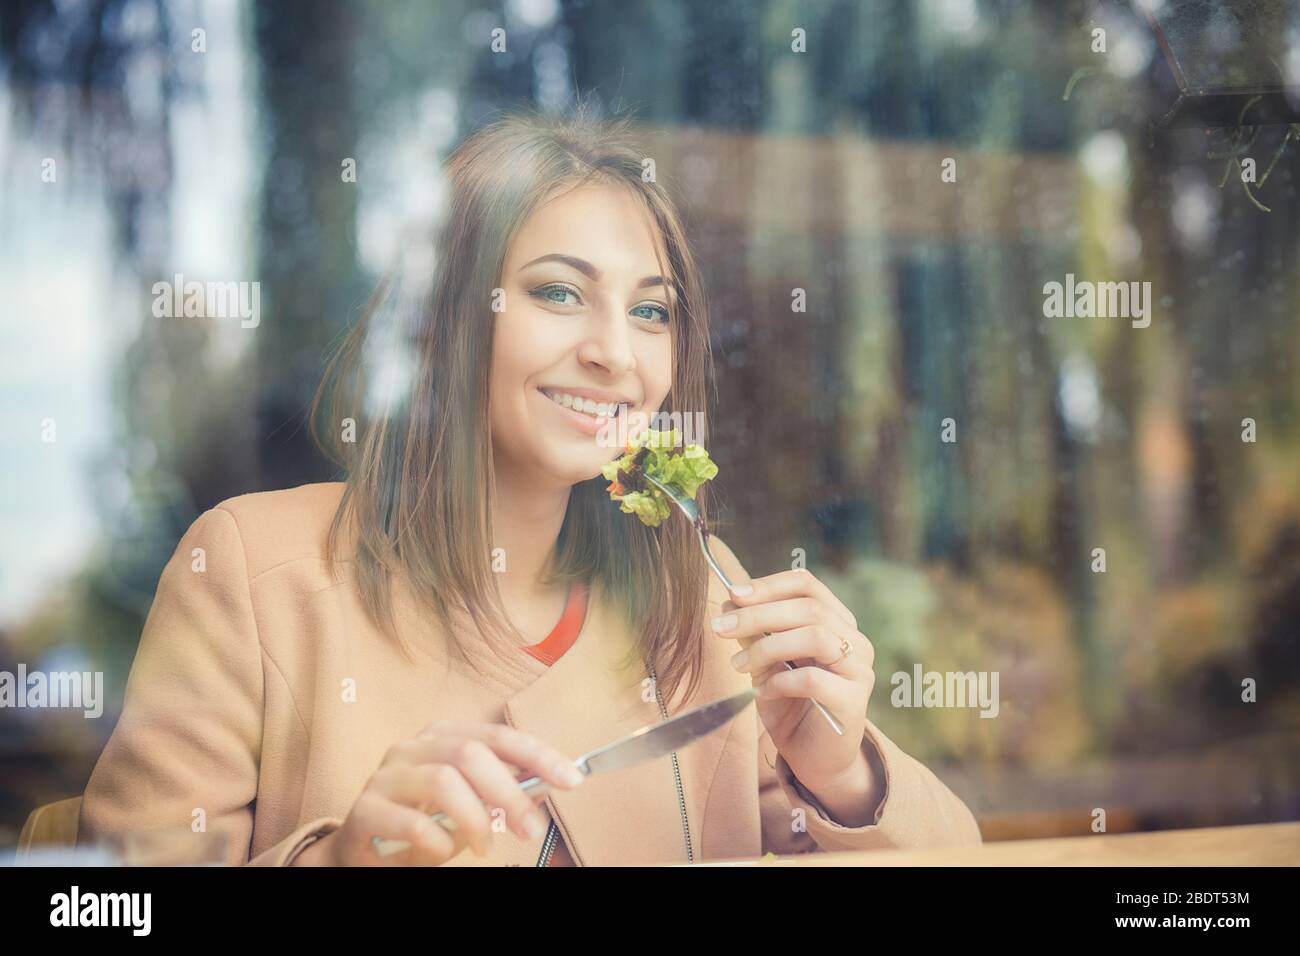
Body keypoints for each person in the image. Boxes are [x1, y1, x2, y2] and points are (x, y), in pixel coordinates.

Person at [78, 107, 982, 866]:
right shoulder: (250, 569)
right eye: (557, 293)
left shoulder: (701, 600)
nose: (614, 353)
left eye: (651, 311)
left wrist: (842, 774)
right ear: (447, 320)